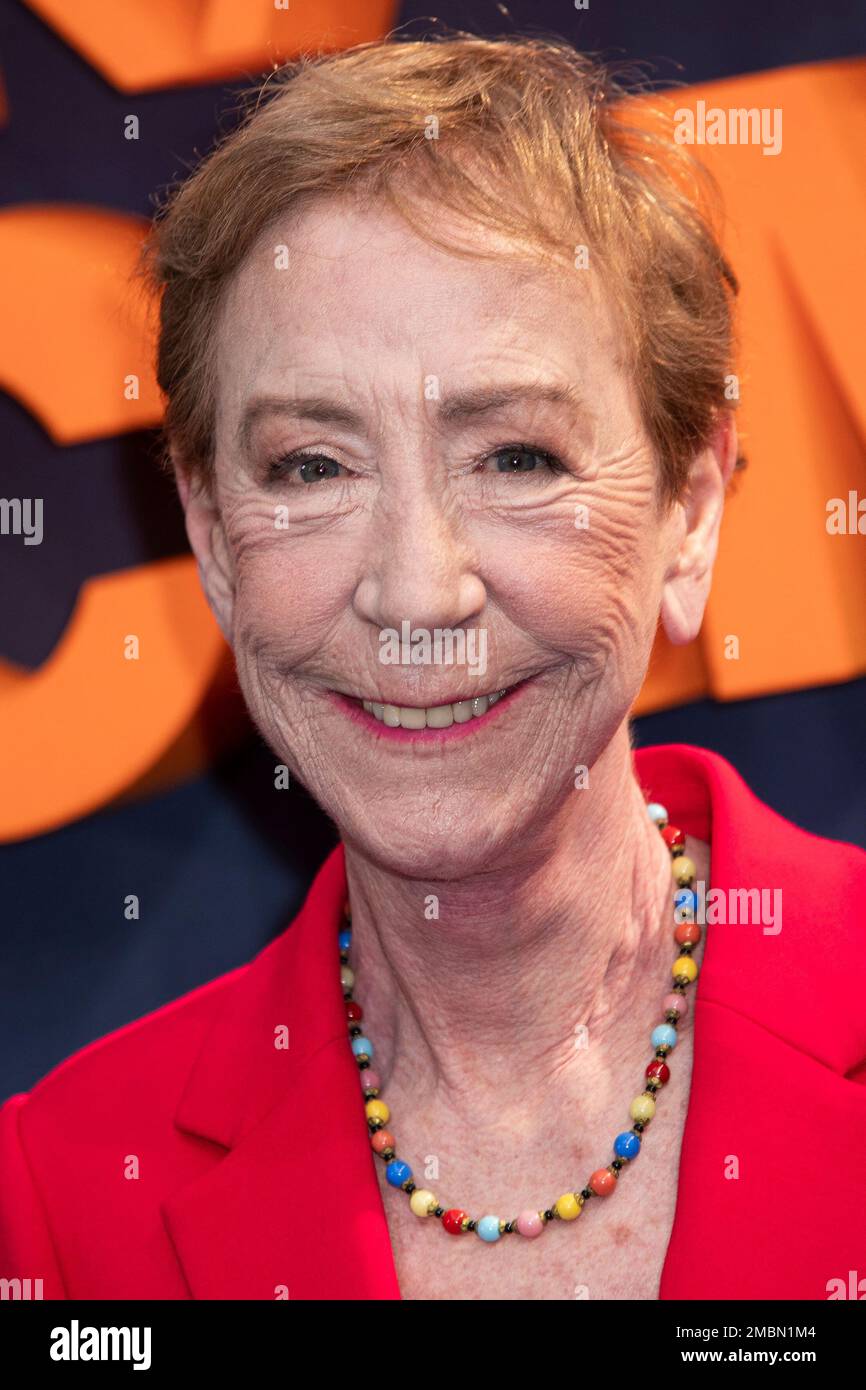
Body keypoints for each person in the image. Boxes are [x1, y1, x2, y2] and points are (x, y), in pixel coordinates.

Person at [2, 34, 864, 1302]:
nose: (415, 592)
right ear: (211, 540)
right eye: (311, 467)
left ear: (688, 511)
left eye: (515, 457)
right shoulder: (61, 1200)